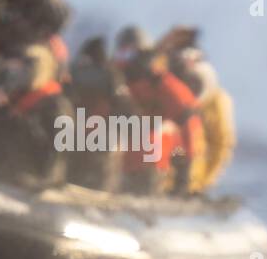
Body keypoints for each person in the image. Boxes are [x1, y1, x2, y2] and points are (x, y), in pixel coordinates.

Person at [113, 26, 206, 196]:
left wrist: (183, 177)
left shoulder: (162, 85)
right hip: (114, 165)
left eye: (131, 54)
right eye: (122, 54)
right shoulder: (114, 82)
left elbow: (189, 121)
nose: (126, 61)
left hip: (149, 168)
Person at [0, 43, 72, 187]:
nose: (20, 70)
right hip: (5, 178)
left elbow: (55, 157)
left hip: (35, 185)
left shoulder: (57, 106)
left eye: (29, 65)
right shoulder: (16, 98)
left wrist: (18, 119)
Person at [156, 26, 235, 193]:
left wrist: (200, 183)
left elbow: (220, 143)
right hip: (155, 177)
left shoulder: (214, 98)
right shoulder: (160, 82)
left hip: (187, 179)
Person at [66, 36, 130, 191]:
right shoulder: (111, 75)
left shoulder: (74, 72)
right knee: (101, 168)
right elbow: (122, 105)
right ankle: (100, 194)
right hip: (101, 130)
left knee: (73, 166)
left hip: (75, 128)